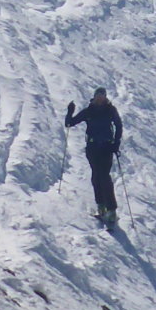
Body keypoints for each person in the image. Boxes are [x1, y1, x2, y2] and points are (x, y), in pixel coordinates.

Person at [65, 88, 123, 224]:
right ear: (95, 97)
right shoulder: (89, 111)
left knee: (103, 176)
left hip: (106, 147)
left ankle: (111, 209)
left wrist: (116, 143)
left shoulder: (110, 110)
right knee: (96, 176)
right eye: (98, 96)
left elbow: (119, 125)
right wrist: (70, 112)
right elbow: (69, 123)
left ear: (105, 98)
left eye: (102, 96)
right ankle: (102, 206)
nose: (100, 99)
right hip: (92, 148)